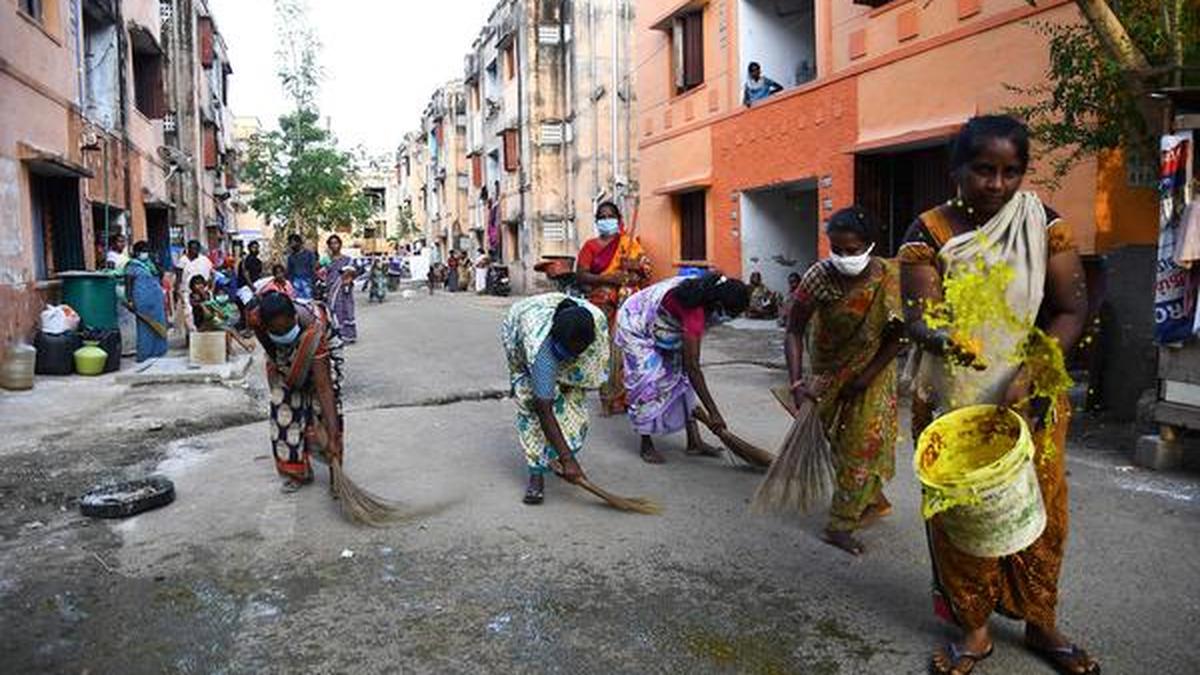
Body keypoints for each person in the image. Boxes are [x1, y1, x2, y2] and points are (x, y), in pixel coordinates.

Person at [899, 115, 1096, 675]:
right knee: (962, 515)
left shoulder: (1043, 224)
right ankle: (975, 629)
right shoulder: (928, 232)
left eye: (1012, 172)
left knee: (1042, 511)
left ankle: (1041, 624)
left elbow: (1071, 309)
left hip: (1030, 392)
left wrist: (1031, 371)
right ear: (957, 170)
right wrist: (946, 340)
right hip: (954, 398)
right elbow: (920, 319)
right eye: (983, 170)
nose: (997, 185)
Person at [784, 207, 903, 556]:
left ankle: (841, 523)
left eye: (852, 251)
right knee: (835, 438)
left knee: (864, 440)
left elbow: (898, 335)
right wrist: (796, 383)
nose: (844, 258)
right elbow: (793, 331)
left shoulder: (888, 278)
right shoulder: (818, 277)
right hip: (829, 368)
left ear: (869, 245)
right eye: (836, 250)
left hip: (875, 366)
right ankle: (868, 496)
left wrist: (865, 378)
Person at [615, 272, 749, 463]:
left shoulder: (708, 290)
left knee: (682, 379)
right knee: (648, 382)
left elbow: (689, 370)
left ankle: (694, 441)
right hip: (636, 323)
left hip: (665, 324)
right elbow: (693, 366)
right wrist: (714, 412)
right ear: (719, 304)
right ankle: (646, 442)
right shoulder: (694, 312)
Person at [501, 294, 609, 505]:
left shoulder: (597, 322)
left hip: (563, 316)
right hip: (521, 325)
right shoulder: (539, 349)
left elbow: (594, 364)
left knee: (571, 397)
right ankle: (536, 471)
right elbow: (544, 408)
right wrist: (569, 459)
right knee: (531, 403)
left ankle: (558, 455)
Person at [250, 291, 346, 493]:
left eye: (286, 329)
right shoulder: (256, 319)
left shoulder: (315, 329)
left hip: (324, 345)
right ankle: (298, 471)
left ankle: (335, 469)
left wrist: (332, 435)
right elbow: (272, 353)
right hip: (282, 354)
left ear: (294, 317)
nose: (282, 332)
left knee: (322, 407)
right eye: (276, 330)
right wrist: (287, 374)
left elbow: (324, 388)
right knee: (284, 406)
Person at [574, 200, 652, 415]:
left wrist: (633, 266)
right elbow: (581, 275)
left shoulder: (628, 243)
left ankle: (629, 398)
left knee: (629, 352)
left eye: (610, 216)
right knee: (606, 352)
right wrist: (608, 278)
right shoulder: (590, 246)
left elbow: (646, 268)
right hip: (602, 303)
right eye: (602, 216)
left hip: (629, 304)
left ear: (618, 220)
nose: (606, 220)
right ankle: (608, 399)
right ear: (597, 221)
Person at [124, 241, 169, 362]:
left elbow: (160, 275)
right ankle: (145, 353)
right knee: (144, 326)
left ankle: (159, 352)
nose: (145, 253)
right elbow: (128, 284)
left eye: (147, 250)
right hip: (141, 299)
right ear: (136, 252)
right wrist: (129, 300)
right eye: (143, 250)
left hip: (156, 299)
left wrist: (156, 262)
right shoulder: (131, 266)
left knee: (159, 323)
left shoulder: (151, 265)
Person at [322, 235, 358, 343]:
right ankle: (337, 335)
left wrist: (349, 278)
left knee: (347, 310)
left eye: (336, 243)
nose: (334, 245)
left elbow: (355, 272)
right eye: (331, 243)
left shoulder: (347, 259)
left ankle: (349, 335)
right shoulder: (327, 260)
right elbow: (320, 272)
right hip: (332, 290)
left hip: (345, 290)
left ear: (340, 244)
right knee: (334, 311)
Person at [175, 239, 214, 330]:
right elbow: (178, 277)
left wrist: (210, 288)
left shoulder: (205, 260)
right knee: (189, 314)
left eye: (196, 249)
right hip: (187, 292)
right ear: (188, 249)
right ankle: (192, 335)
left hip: (204, 291)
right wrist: (178, 291)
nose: (194, 251)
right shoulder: (182, 261)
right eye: (192, 249)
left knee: (207, 312)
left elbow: (212, 274)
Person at [286, 234, 318, 300]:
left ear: (299, 242)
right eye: (289, 243)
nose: (290, 245)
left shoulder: (309, 254)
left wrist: (312, 284)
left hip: (307, 283)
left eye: (292, 242)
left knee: (308, 303)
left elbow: (313, 269)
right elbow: (289, 272)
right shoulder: (290, 257)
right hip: (295, 284)